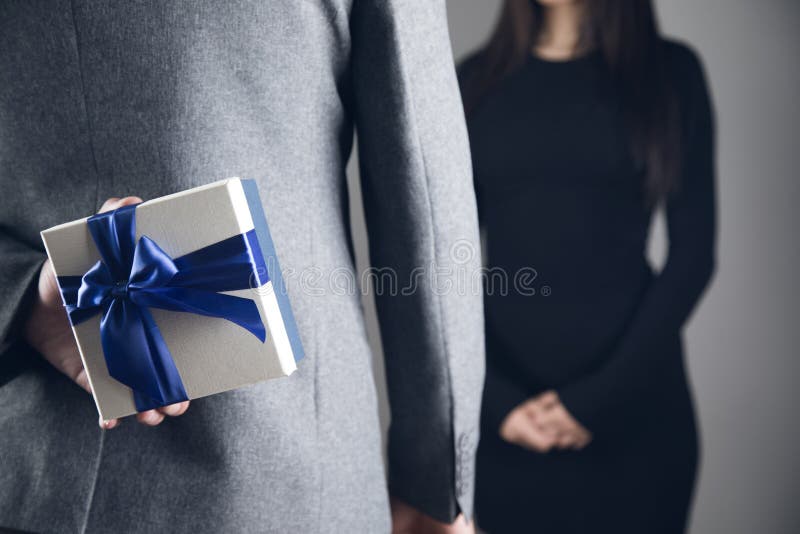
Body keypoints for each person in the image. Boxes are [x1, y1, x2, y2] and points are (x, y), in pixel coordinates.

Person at [0, 1, 483, 533]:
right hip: (285, 469)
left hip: (34, 472)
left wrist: (23, 294)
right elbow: (423, 184)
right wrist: (437, 486)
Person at [458, 0, 716, 532]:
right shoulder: (474, 81)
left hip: (636, 416)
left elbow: (693, 256)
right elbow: (445, 269)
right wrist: (497, 403)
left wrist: (596, 402)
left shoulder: (669, 73)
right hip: (509, 420)